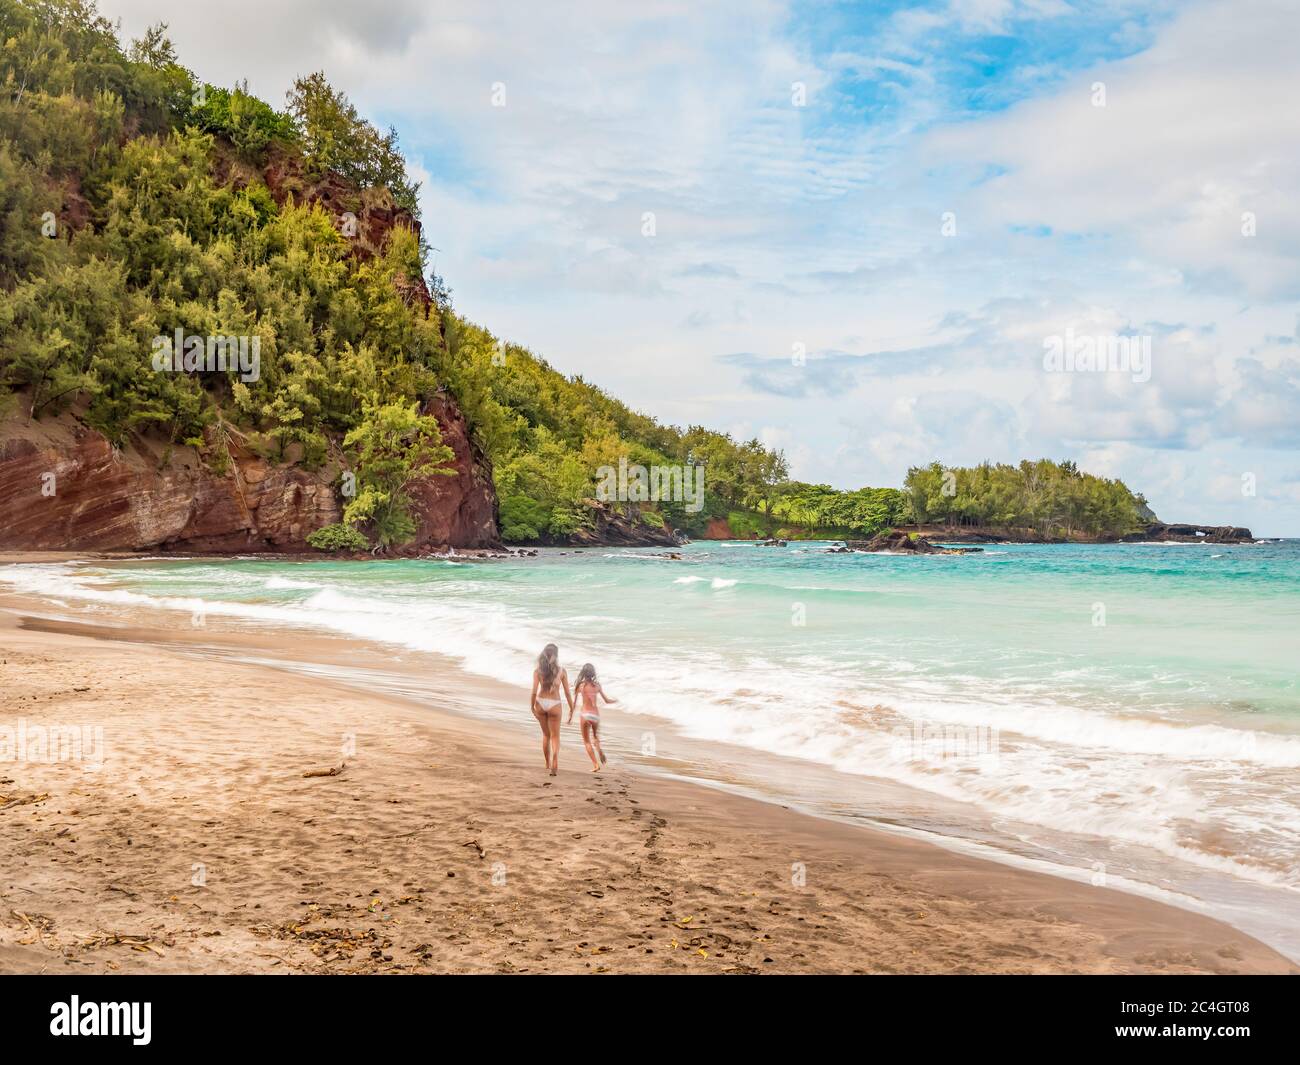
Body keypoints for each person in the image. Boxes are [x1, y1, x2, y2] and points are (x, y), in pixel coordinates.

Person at [530, 644, 572, 776]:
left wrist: (532, 707)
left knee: (546, 735)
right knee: (555, 736)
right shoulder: (562, 671)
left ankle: (547, 763)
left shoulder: (537, 671)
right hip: (555, 704)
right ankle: (555, 760)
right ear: (556, 655)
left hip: (541, 703)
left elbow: (533, 691)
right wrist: (571, 708)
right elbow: (567, 693)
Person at [569, 663, 615, 772]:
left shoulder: (580, 686)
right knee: (595, 737)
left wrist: (570, 717)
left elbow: (574, 704)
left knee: (586, 741)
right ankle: (599, 749)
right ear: (593, 673)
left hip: (585, 715)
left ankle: (595, 765)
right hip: (595, 715)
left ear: (583, 673)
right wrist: (617, 701)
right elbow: (607, 701)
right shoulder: (597, 685)